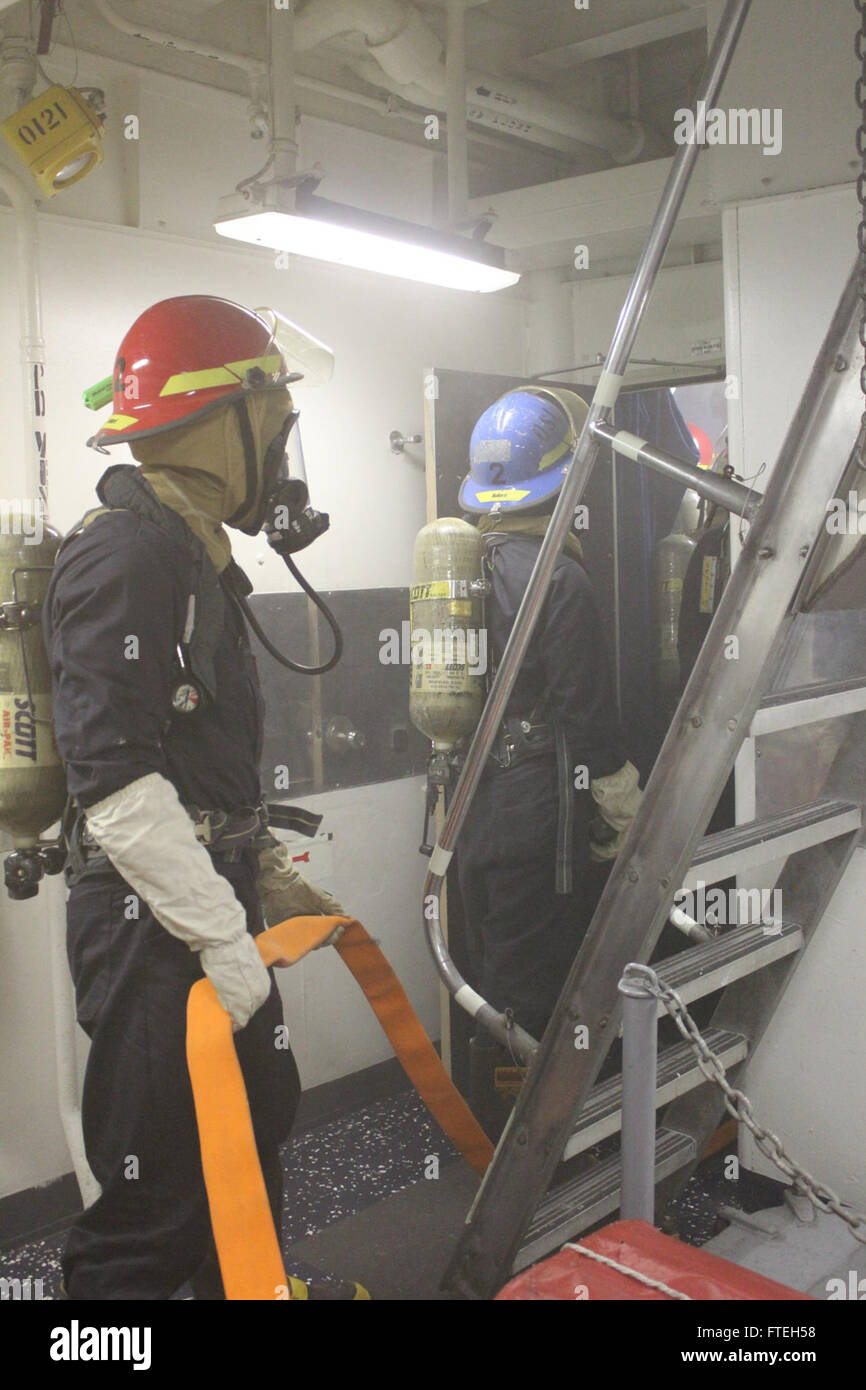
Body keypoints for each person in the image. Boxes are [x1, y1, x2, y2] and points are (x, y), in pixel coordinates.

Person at [44, 295, 350, 1300]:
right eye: (272, 421)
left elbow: (196, 764)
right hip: (148, 925)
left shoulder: (194, 554)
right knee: (157, 1193)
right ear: (224, 419)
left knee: (252, 1128)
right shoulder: (124, 553)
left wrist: (260, 877)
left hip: (203, 897)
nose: (280, 446)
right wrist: (220, 936)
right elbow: (116, 782)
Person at [454, 386, 642, 1135]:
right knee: (535, 983)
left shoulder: (466, 568)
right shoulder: (558, 579)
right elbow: (586, 716)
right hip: (539, 815)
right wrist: (621, 805)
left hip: (472, 811)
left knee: (493, 971)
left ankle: (493, 1144)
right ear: (565, 477)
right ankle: (523, 1157)